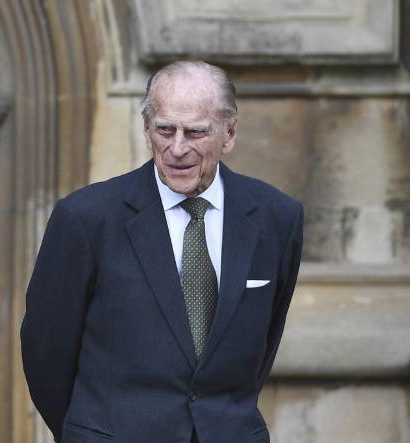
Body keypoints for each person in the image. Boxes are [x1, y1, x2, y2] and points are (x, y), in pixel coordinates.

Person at [21, 61, 304, 442]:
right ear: (146, 128)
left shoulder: (277, 218)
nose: (177, 148)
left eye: (196, 132)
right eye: (165, 130)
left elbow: (265, 343)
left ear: (230, 132)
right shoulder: (86, 218)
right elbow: (46, 351)